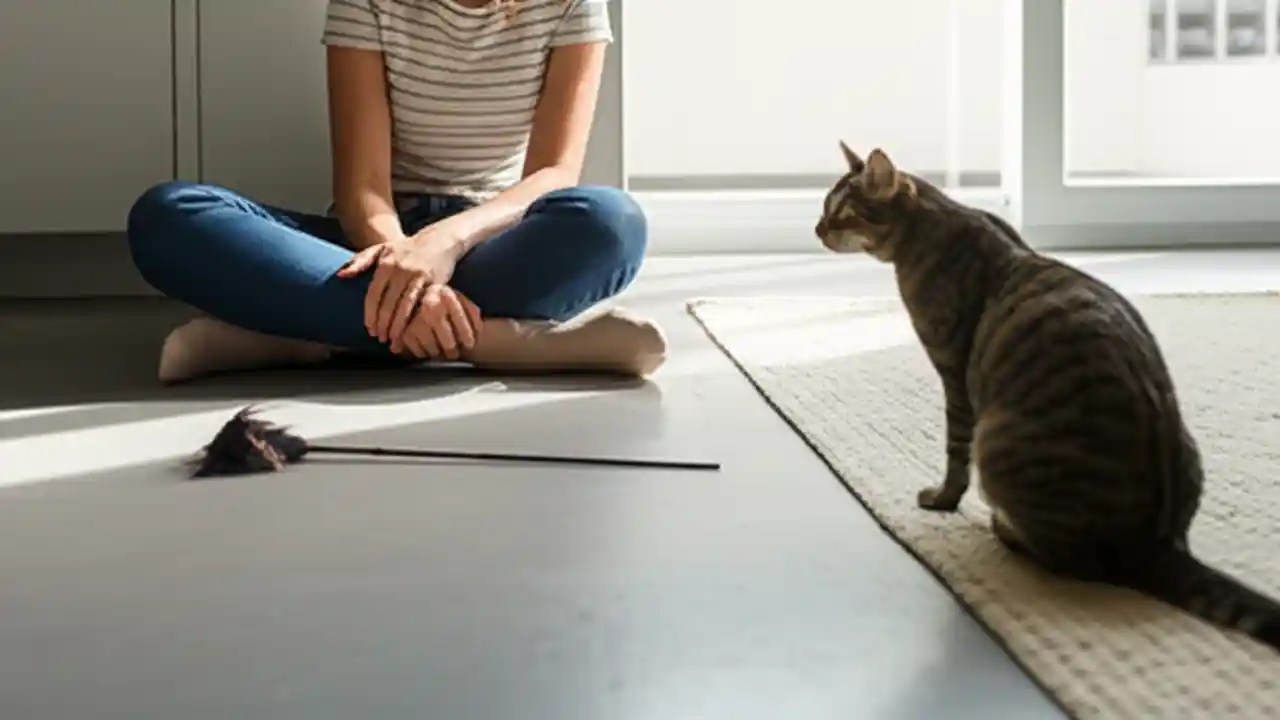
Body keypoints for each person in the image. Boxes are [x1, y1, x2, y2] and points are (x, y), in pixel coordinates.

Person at [126, 0, 666, 384]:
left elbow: (552, 174)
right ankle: (508, 343)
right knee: (169, 215)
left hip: (490, 240)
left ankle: (300, 339)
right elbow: (363, 188)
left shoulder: (573, 3)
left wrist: (445, 245)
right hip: (367, 241)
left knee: (612, 224)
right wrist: (404, 264)